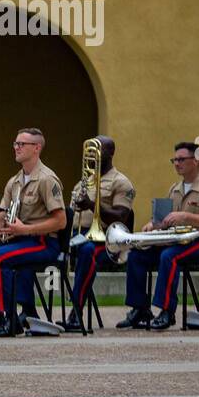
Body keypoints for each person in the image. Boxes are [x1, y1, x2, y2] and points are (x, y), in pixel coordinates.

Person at [0, 128, 66, 337]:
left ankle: (11, 320)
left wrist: (25, 229)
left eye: (21, 144)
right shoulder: (15, 181)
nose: (16, 148)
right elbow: (0, 216)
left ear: (36, 148)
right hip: (19, 240)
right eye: (15, 144)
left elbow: (60, 221)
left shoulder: (47, 179)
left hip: (42, 242)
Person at [118, 141, 199, 331]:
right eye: (174, 160)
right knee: (136, 256)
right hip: (177, 241)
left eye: (181, 159)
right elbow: (163, 220)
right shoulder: (174, 189)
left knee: (169, 257)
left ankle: (167, 311)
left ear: (197, 161)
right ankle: (140, 308)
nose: (177, 163)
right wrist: (153, 225)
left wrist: (185, 216)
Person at [62, 136, 134, 332]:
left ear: (111, 153)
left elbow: (121, 217)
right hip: (81, 236)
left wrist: (93, 205)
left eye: (98, 150)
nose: (94, 154)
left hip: (108, 240)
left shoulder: (121, 182)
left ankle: (76, 312)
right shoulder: (85, 181)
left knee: (87, 252)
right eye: (92, 151)